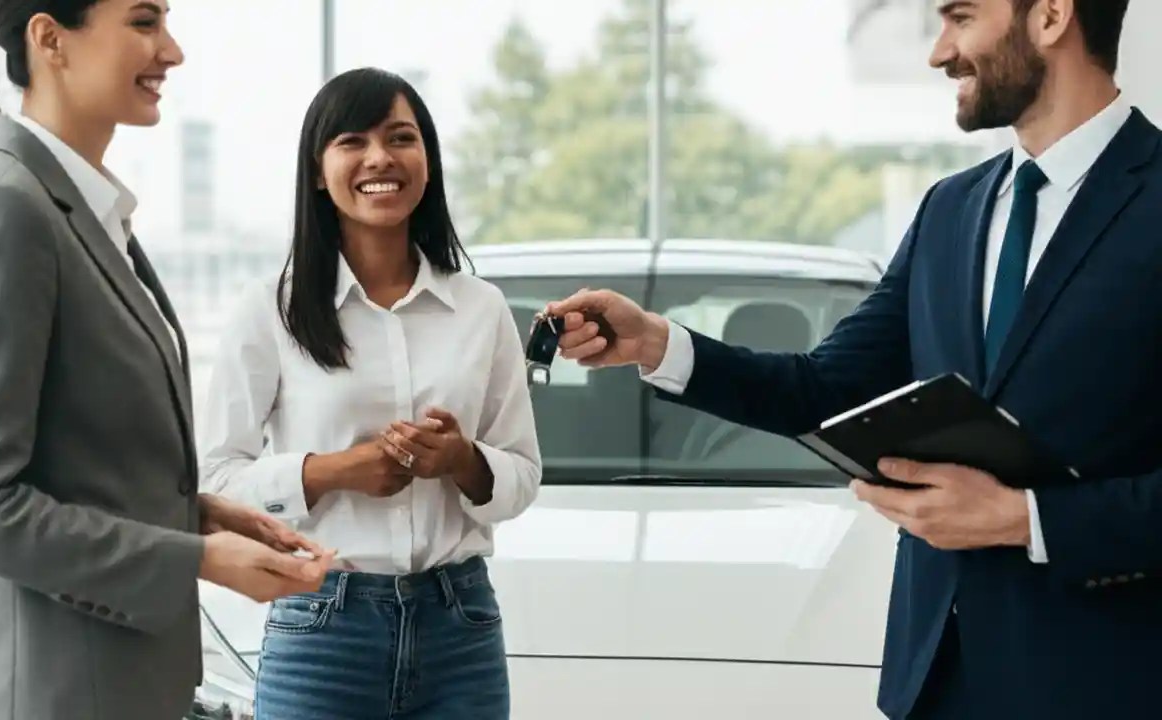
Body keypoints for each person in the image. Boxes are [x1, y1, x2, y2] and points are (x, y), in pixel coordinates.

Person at [548, 0, 1155, 717]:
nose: (940, 52)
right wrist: (659, 344)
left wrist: (1024, 518)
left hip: (1112, 682)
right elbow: (825, 387)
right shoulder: (949, 210)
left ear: (1052, 16)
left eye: (960, 18)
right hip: (937, 681)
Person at [0, 2, 334, 719]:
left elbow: (77, 460)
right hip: (50, 694)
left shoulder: (84, 211)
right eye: (144, 22)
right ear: (49, 38)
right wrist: (195, 560)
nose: (171, 51)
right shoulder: (8, 210)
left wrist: (196, 516)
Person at [199, 67, 541, 720]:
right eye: (352, 141)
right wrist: (333, 472)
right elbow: (213, 482)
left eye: (401, 138)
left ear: (428, 162)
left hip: (459, 625)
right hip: (322, 624)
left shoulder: (481, 308)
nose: (380, 158)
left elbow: (523, 475)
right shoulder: (268, 311)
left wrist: (462, 461)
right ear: (317, 171)